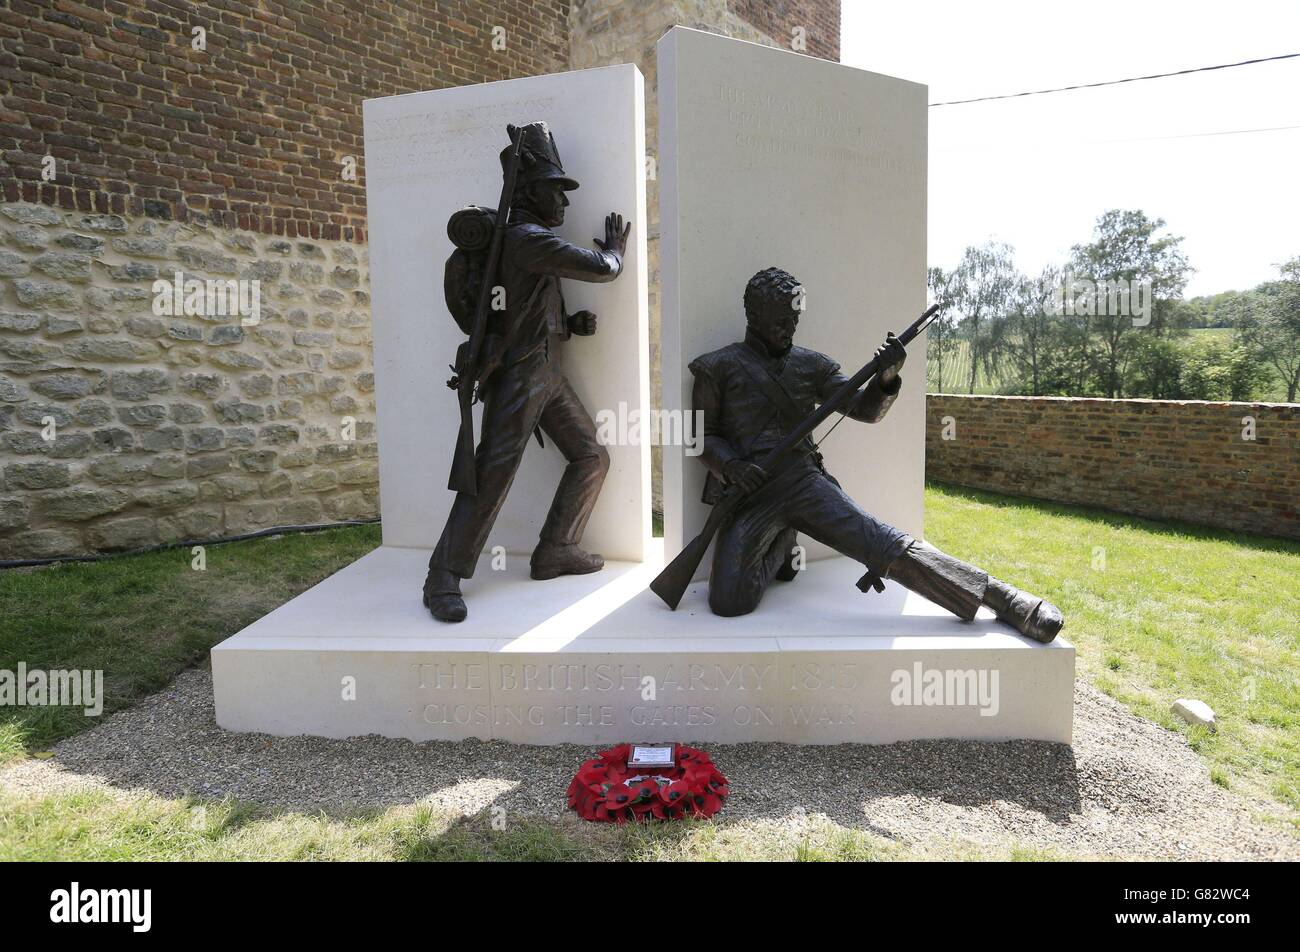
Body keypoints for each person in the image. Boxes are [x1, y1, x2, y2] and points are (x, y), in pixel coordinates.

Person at [688, 266, 1063, 642]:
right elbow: (699, 437)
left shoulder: (812, 365)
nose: (788, 329)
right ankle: (784, 537)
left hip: (803, 482)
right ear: (754, 317)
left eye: (793, 320)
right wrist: (731, 466)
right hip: (752, 493)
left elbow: (866, 411)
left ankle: (1003, 597)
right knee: (728, 602)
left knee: (882, 542)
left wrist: (886, 378)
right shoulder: (716, 367)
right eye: (779, 322)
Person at [424, 122, 632, 623]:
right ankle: (441, 577)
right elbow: (601, 269)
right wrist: (615, 252)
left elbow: (524, 303)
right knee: (491, 476)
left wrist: (567, 325)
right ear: (528, 191)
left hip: (546, 370)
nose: (563, 203)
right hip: (520, 378)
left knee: (591, 457)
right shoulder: (525, 238)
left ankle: (556, 548)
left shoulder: (524, 241)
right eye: (554, 191)